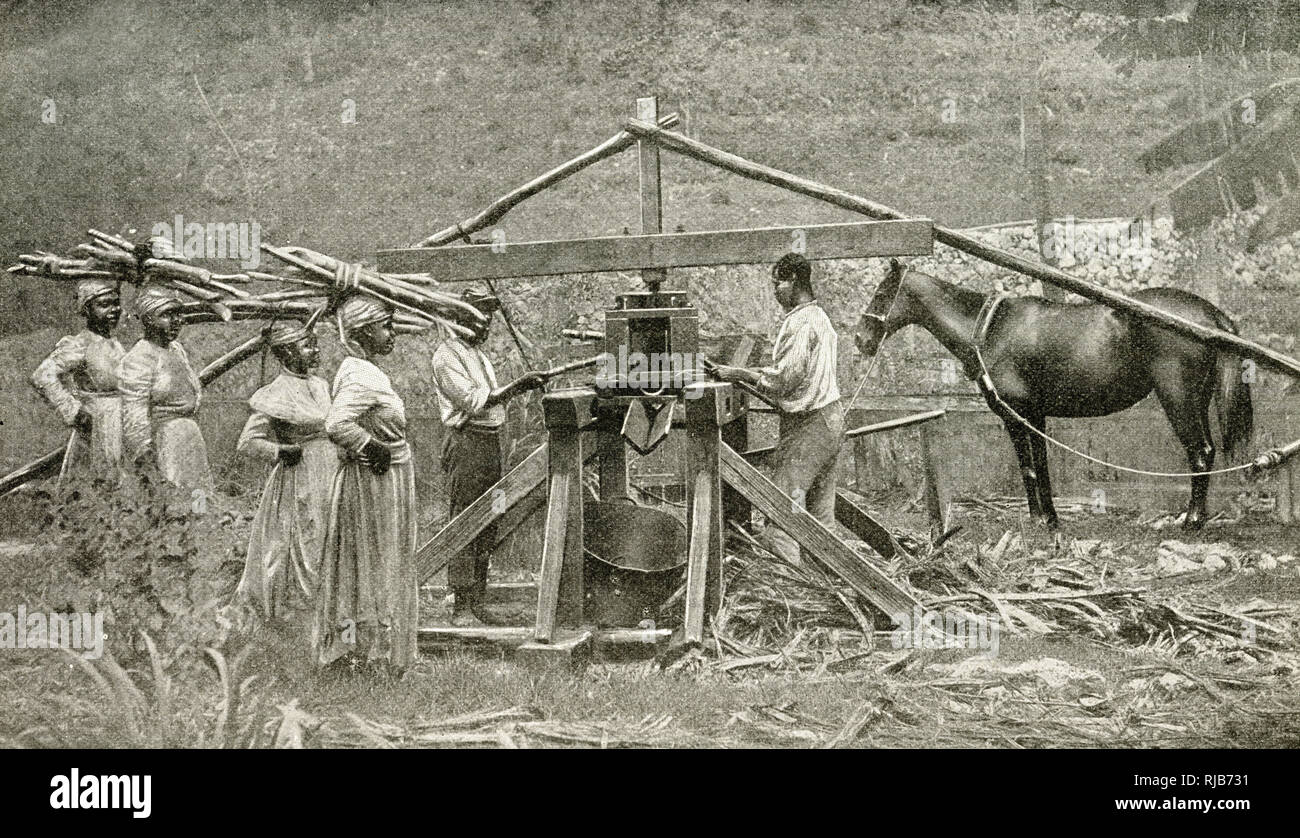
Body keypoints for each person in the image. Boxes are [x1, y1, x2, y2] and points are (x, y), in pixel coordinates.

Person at [709, 252, 844, 565]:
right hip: (831, 422)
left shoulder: (801, 322)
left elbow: (786, 378)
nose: (774, 291)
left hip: (809, 428)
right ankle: (828, 585)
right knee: (820, 516)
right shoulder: (820, 317)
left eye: (777, 283)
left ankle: (791, 588)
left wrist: (738, 373)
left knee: (781, 514)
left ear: (793, 280)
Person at [314, 294, 418, 674]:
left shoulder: (367, 370)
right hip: (373, 482)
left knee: (380, 561)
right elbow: (336, 423)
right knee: (375, 563)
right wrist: (370, 445)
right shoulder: (359, 373)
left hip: (387, 478)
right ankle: (367, 654)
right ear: (361, 331)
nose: (392, 334)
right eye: (385, 326)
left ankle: (374, 653)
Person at [430, 287, 545, 627]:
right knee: (467, 519)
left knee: (489, 518)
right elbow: (474, 401)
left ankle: (478, 599)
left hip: (490, 443)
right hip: (467, 444)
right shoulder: (445, 356)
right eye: (480, 319)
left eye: (489, 319)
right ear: (459, 319)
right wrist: (519, 386)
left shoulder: (479, 356)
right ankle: (461, 607)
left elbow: (492, 402)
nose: (487, 326)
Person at [234, 322, 338, 623]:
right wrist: (280, 451)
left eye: (316, 344)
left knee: (330, 538)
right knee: (302, 540)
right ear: (286, 351)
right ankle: (295, 610)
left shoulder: (320, 386)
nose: (315, 351)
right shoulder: (275, 393)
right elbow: (248, 443)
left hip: (331, 474)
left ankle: (328, 608)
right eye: (308, 346)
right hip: (300, 477)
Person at [117, 286, 213, 492]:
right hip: (164, 443)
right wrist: (147, 462)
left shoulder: (176, 350)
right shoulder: (139, 358)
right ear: (148, 318)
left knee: (199, 502)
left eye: (178, 314)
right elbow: (134, 417)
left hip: (189, 440)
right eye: (166, 315)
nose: (177, 321)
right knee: (173, 504)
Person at [31, 279, 126, 480]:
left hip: (122, 422)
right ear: (87, 310)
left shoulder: (115, 344)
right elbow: (42, 375)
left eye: (116, 303)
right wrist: (74, 412)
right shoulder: (80, 344)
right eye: (104, 304)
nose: (114, 310)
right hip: (98, 425)